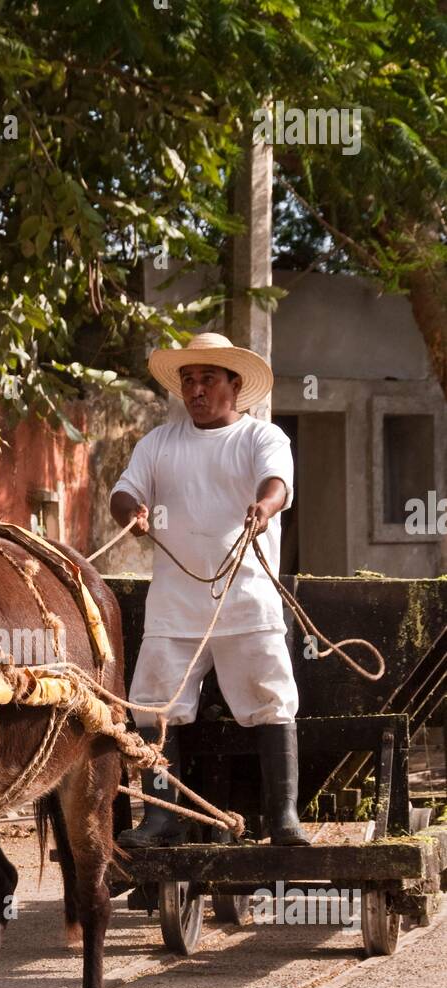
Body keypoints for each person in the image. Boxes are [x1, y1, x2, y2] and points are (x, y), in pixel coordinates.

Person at [110, 331, 310, 847]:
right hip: (175, 606)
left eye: (207, 379)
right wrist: (129, 511)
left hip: (247, 600)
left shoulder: (261, 437)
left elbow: (278, 485)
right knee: (154, 705)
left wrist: (264, 509)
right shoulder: (158, 443)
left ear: (234, 385)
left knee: (270, 698)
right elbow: (125, 489)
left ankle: (283, 819)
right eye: (188, 381)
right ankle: (160, 820)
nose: (195, 390)